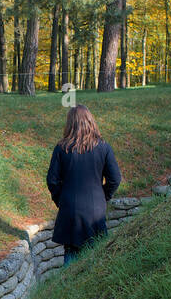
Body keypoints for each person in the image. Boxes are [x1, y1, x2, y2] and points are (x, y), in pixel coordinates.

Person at [46, 104, 122, 266]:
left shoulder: (62, 149)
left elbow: (52, 181)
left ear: (70, 124)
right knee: (98, 259)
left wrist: (62, 201)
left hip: (70, 211)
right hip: (95, 211)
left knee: (71, 255)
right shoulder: (103, 147)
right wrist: (104, 196)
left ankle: (67, 290)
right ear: (90, 121)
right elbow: (115, 179)